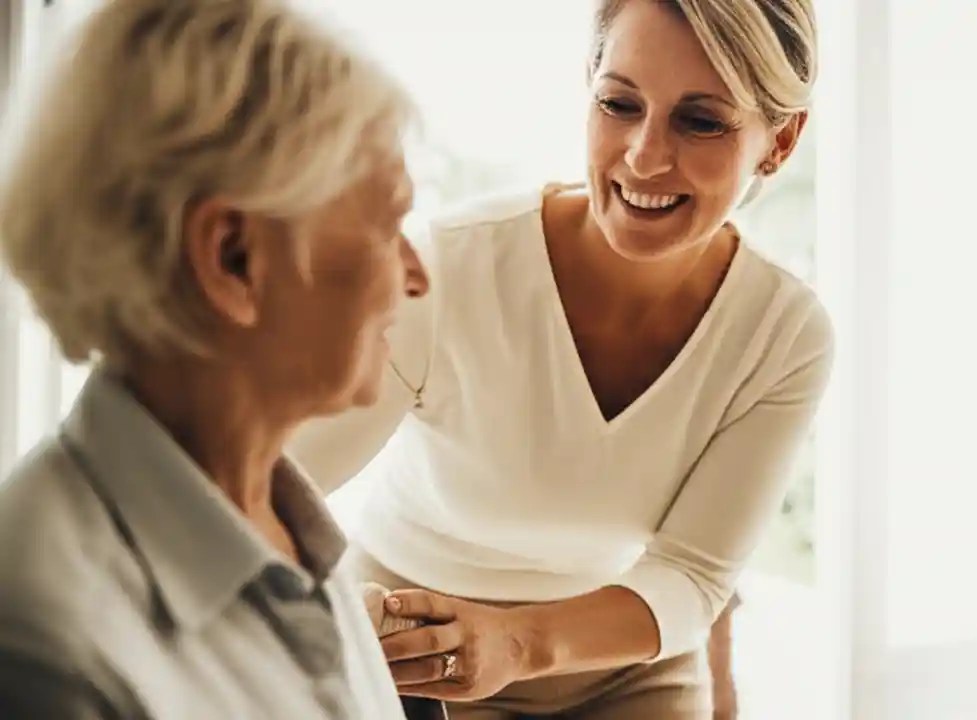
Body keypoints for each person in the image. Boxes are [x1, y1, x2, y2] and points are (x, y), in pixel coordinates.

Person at [289, 0, 829, 717]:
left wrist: (517, 642)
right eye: (618, 104)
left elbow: (694, 575)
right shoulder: (445, 268)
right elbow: (269, 486)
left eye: (700, 121)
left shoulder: (784, 334)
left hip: (622, 665)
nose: (644, 156)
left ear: (780, 142)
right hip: (415, 649)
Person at [0, 0, 437, 717]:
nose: (416, 277)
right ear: (232, 259)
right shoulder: (51, 647)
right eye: (389, 227)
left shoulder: (287, 526)